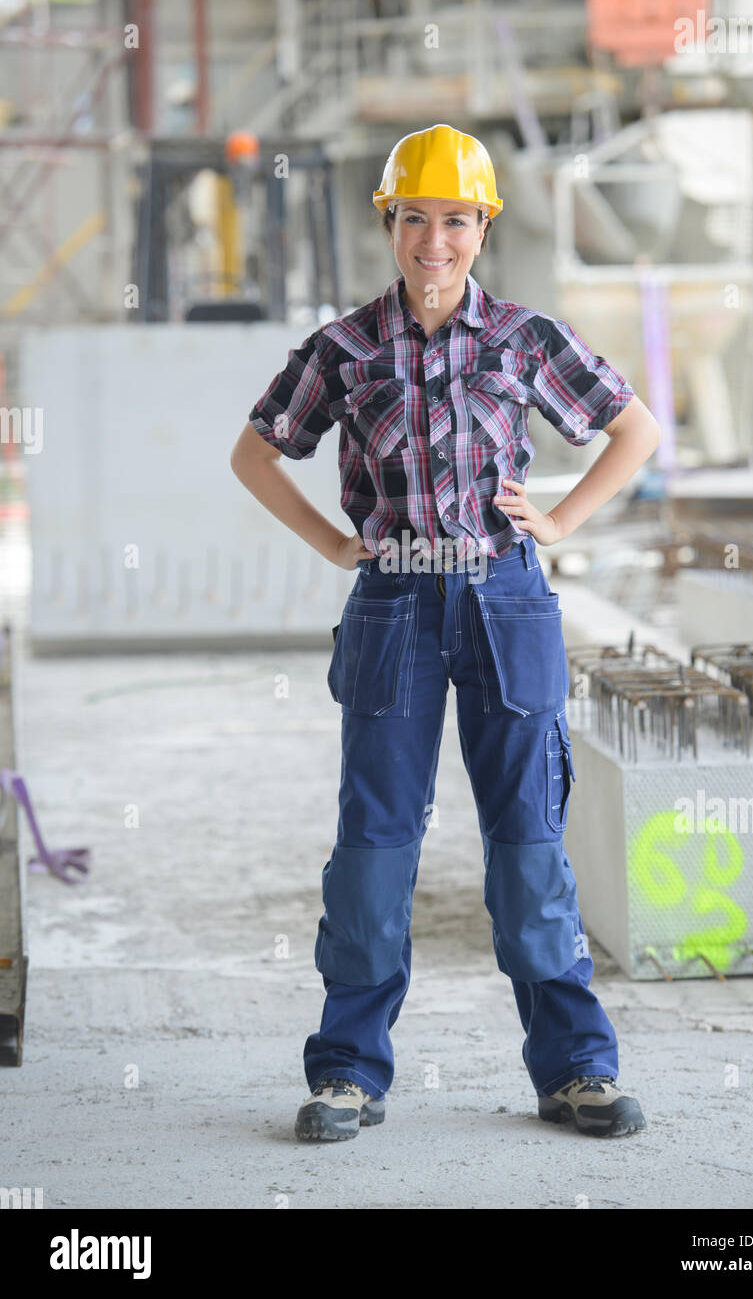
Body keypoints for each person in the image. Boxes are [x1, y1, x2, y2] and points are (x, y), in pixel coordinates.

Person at [230, 123, 661, 1144]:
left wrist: (554, 521)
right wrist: (337, 545)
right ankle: (346, 1072)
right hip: (391, 605)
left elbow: (633, 430)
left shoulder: (522, 338)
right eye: (415, 218)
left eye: (456, 220)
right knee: (373, 850)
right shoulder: (342, 349)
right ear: (389, 222)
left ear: (483, 226)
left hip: (504, 598)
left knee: (528, 847)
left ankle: (575, 1070)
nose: (435, 240)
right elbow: (254, 455)